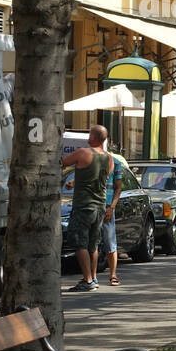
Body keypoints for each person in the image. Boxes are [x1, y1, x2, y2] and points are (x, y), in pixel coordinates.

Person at [60, 124, 113, 292]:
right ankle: (93, 276)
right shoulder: (109, 159)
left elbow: (62, 162)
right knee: (93, 244)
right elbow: (94, 174)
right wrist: (75, 181)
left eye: (89, 134)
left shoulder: (83, 153)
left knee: (79, 243)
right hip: (99, 206)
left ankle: (87, 280)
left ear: (93, 138)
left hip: (83, 205)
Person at [101, 146, 125, 286]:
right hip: (93, 205)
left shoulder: (115, 162)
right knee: (92, 243)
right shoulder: (89, 159)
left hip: (107, 205)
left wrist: (111, 207)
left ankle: (113, 274)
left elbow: (118, 188)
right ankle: (91, 277)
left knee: (110, 241)